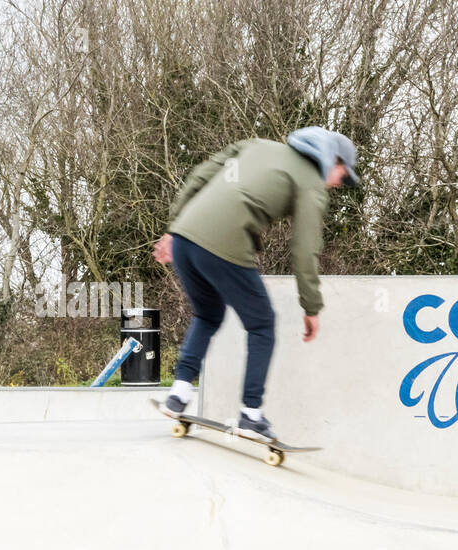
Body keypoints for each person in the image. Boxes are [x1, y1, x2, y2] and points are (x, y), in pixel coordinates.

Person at [153, 126, 360, 441]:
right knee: (262, 324)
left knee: (208, 315)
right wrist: (311, 306)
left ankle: (178, 392)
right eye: (342, 176)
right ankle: (251, 415)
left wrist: (174, 227)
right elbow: (305, 249)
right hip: (224, 244)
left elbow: (199, 175)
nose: (337, 185)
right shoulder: (310, 184)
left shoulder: (257, 145)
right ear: (331, 160)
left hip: (185, 239)